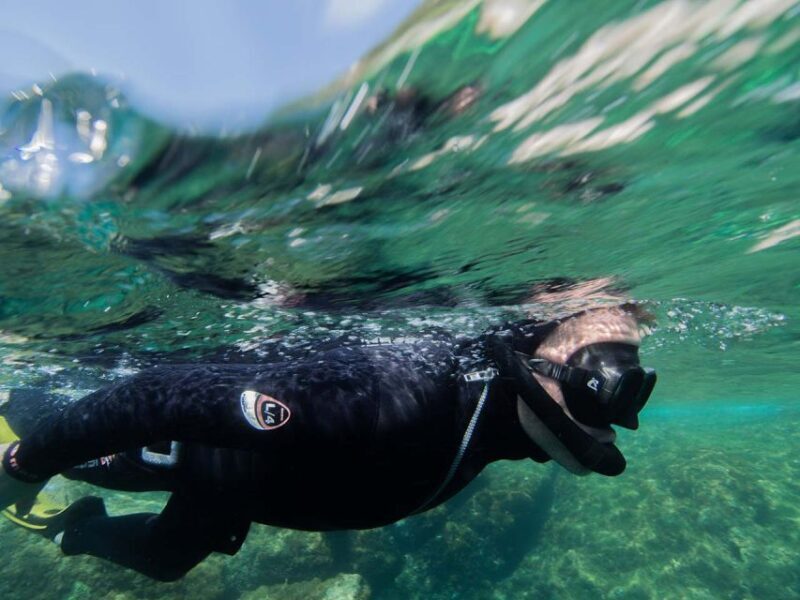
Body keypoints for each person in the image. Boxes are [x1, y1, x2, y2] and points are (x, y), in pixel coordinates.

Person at [0, 305, 656, 581]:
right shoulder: (398, 400)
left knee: (167, 563)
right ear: (543, 369)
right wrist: (24, 465)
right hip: (194, 446)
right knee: (33, 417)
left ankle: (69, 526)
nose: (616, 421)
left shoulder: (497, 409)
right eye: (607, 382)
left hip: (249, 480)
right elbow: (155, 397)